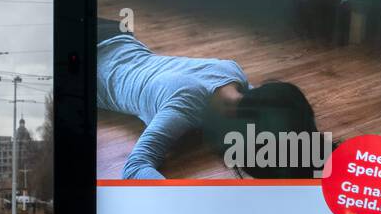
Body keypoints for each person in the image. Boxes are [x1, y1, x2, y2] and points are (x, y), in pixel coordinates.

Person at [95, 19, 321, 180]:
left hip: (118, 34)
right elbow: (135, 167)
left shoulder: (232, 71)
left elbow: (275, 112)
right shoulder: (183, 107)